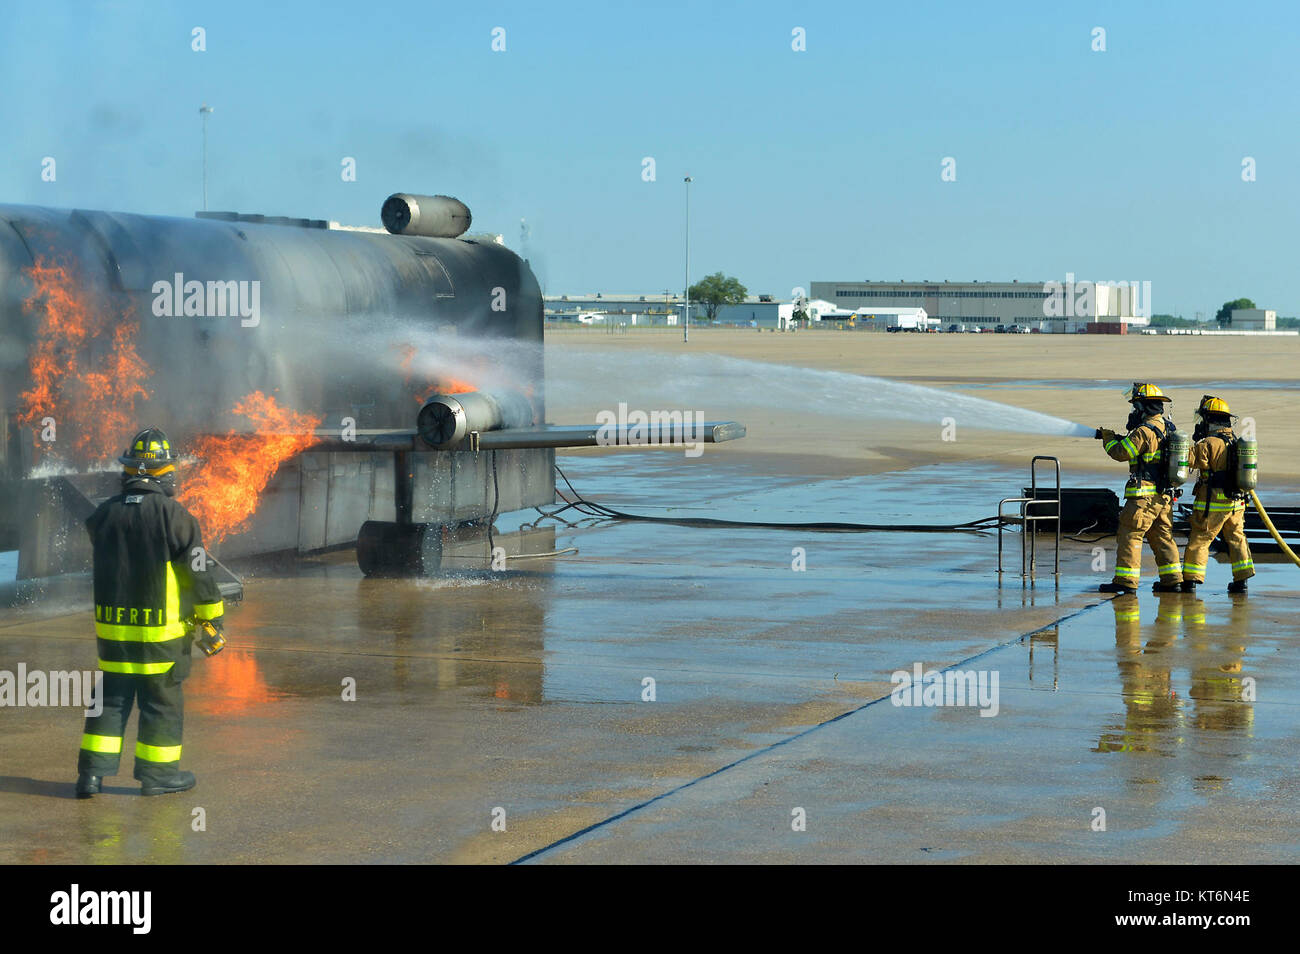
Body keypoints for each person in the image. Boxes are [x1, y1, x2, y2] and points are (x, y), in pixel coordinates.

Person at [75, 427, 225, 797]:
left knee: (109, 702)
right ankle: (157, 777)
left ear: (130, 470)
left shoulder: (103, 516)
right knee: (161, 704)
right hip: (161, 639)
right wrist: (212, 621)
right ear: (163, 472)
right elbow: (198, 577)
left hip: (113, 640)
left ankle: (91, 777)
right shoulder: (175, 517)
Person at [1094, 383, 1183, 594]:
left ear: (1144, 408)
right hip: (1164, 497)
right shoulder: (1168, 429)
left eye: (1136, 407)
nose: (1134, 412)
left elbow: (1120, 452)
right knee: (1162, 536)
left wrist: (1108, 439)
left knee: (1130, 533)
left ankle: (1126, 581)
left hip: (1144, 497)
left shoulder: (1143, 431)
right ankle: (1173, 580)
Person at [1181, 396, 1254, 595]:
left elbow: (1190, 461)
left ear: (1209, 420)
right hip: (1237, 503)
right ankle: (1242, 581)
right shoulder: (1236, 441)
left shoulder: (1209, 443)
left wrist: (1185, 445)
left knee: (1200, 539)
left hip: (1212, 504)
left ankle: (1190, 581)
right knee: (1237, 538)